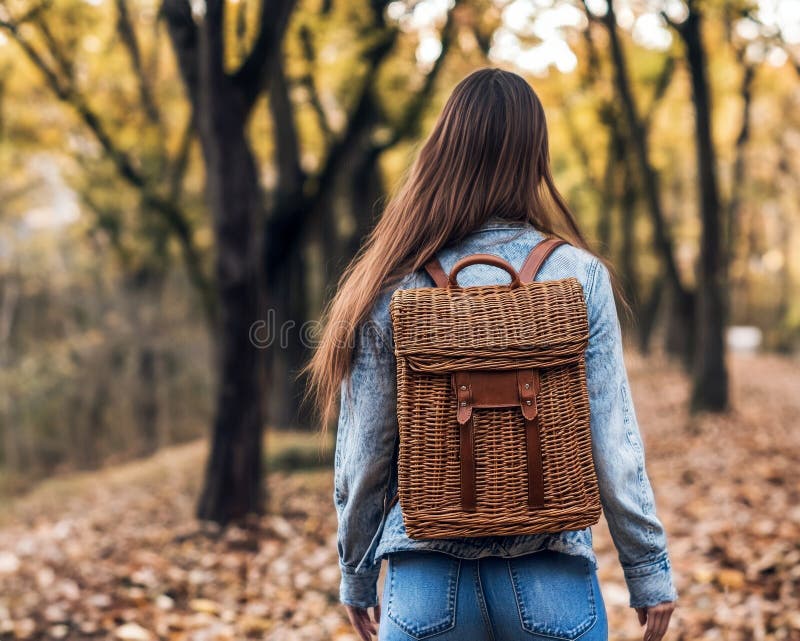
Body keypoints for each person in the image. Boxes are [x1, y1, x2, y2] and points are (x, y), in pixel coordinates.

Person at [307, 68, 677, 641]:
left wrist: (356, 574)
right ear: (535, 156)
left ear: (443, 151)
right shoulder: (578, 275)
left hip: (425, 586)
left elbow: (366, 451)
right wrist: (648, 571)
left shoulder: (391, 283)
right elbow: (613, 443)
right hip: (550, 580)